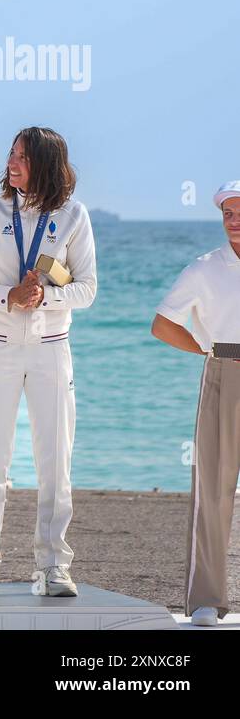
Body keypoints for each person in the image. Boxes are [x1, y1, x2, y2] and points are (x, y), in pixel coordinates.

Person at [0, 127, 96, 597]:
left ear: (46, 163)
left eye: (22, 157)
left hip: (50, 350)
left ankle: (54, 565)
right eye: (11, 154)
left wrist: (47, 297)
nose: (12, 163)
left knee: (55, 462)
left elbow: (88, 289)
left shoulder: (73, 216)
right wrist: (7, 296)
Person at [152, 180, 240, 627]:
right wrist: (206, 350)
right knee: (214, 490)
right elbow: (163, 324)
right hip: (226, 371)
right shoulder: (205, 268)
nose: (234, 219)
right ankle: (206, 598)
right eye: (228, 212)